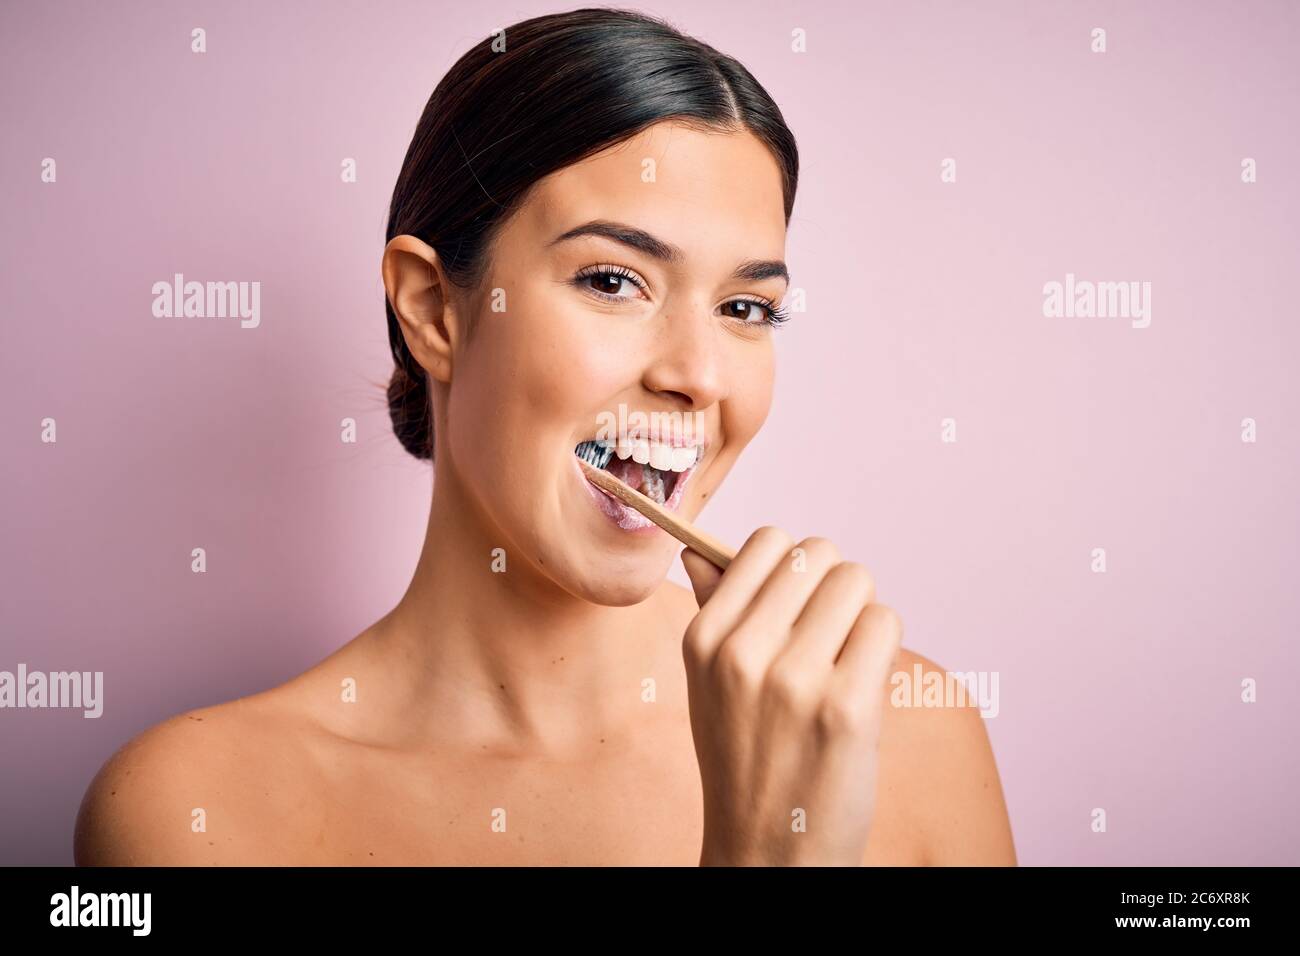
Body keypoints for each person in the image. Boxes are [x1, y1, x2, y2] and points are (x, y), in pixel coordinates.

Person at [74, 7, 1015, 866]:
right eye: (612, 281)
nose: (698, 373)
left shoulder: (899, 732)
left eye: (744, 306)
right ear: (433, 309)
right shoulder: (195, 812)